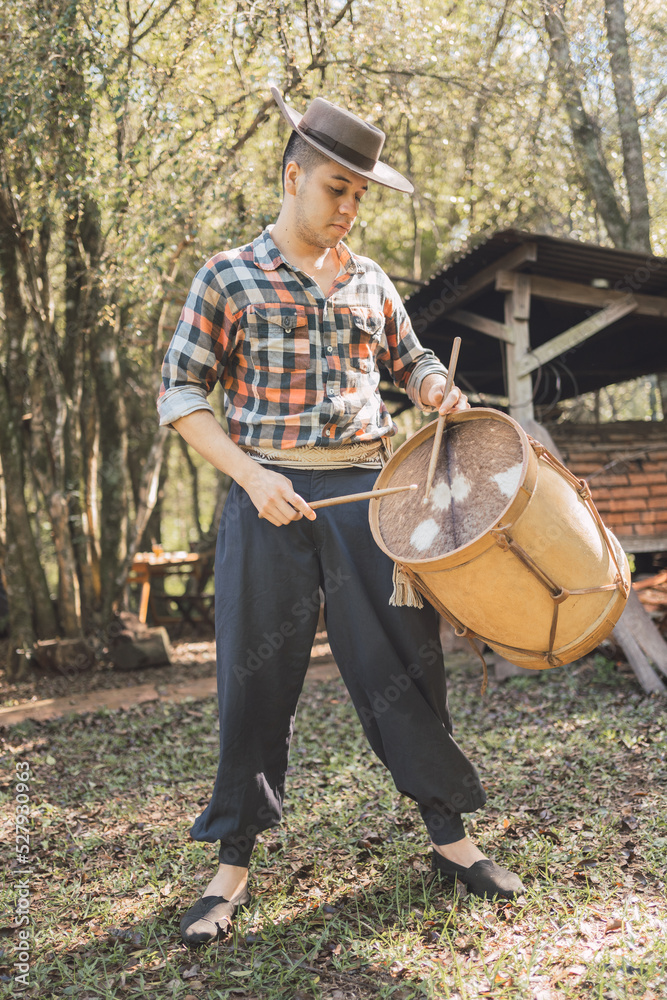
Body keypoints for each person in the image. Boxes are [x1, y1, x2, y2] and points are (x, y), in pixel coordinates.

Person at [157, 88, 524, 947]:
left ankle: (452, 841)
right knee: (255, 680)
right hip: (267, 500)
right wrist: (250, 476)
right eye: (336, 189)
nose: (349, 209)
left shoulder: (369, 280)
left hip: (374, 498)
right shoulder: (228, 275)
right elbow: (180, 395)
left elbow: (412, 357)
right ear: (292, 178)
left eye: (360, 195)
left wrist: (434, 388)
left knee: (406, 662)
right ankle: (230, 869)